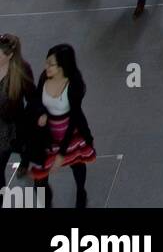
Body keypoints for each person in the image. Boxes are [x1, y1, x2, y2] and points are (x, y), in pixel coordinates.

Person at [27, 44, 95, 209]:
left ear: (63, 66)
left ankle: (81, 192)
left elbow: (74, 118)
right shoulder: (44, 77)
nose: (47, 67)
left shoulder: (74, 85)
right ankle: (46, 203)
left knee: (77, 163)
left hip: (68, 133)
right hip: (47, 135)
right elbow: (35, 98)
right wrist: (41, 112)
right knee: (40, 175)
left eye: (52, 64)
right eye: (47, 63)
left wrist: (62, 153)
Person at [0, 33, 36, 183]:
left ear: (10, 55)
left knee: (22, 147)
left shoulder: (22, 70)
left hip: (13, 124)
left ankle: (25, 160)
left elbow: (32, 98)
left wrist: (29, 119)